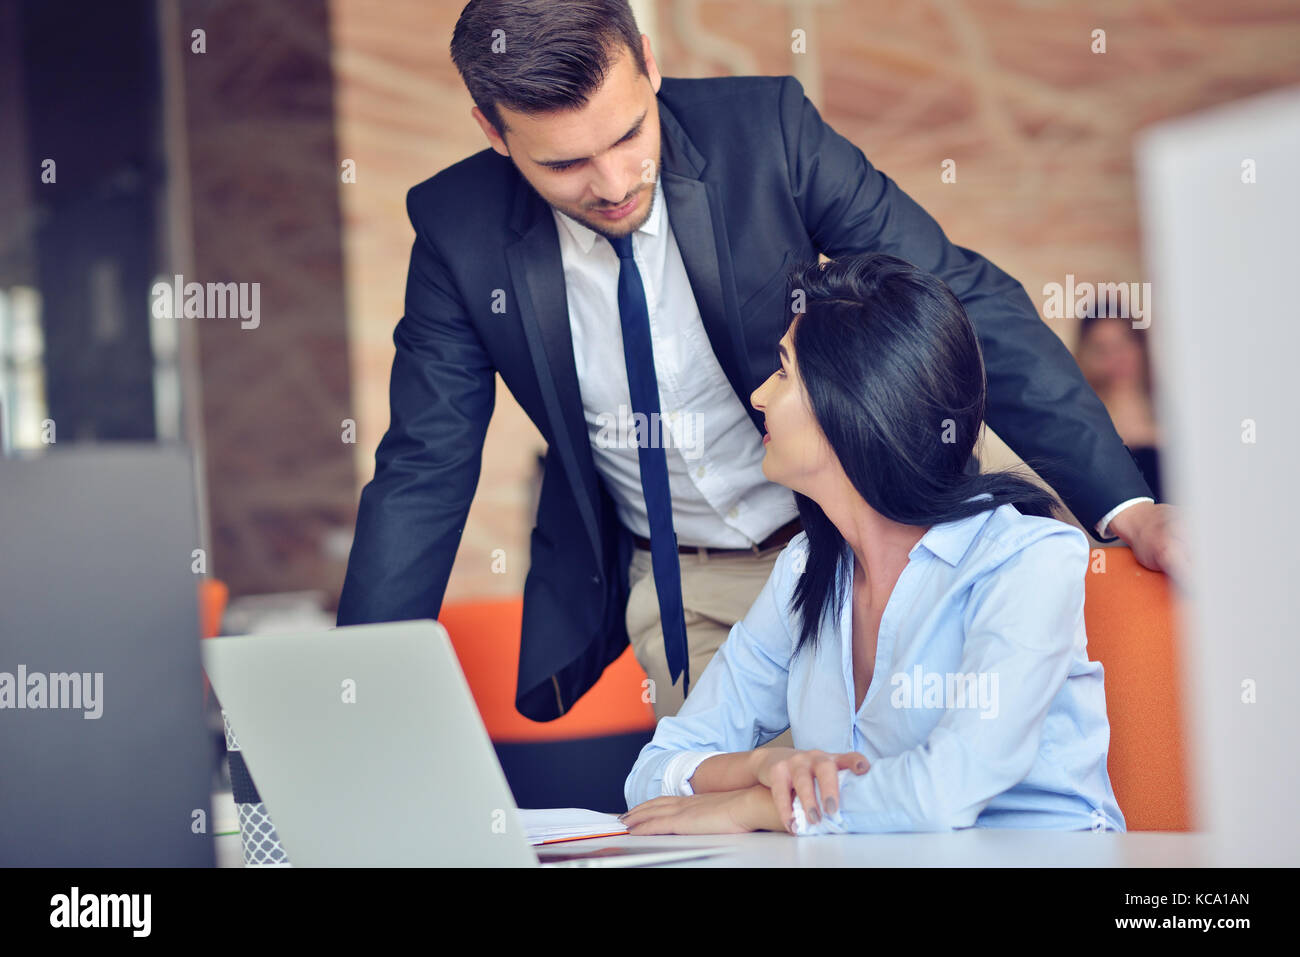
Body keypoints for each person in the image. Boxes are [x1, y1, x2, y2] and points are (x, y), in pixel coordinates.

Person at [337, 0, 1180, 726]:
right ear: (492, 131)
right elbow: (424, 463)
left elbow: (961, 294)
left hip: (864, 551)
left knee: (897, 813)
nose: (614, 180)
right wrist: (357, 687)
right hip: (684, 590)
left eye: (630, 134)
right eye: (564, 163)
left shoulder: (766, 135)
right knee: (723, 815)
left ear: (650, 64)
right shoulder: (458, 230)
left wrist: (1125, 502)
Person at [621, 253, 1126, 835]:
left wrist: (761, 805)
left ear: (853, 401)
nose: (758, 395)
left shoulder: (1027, 560)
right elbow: (653, 769)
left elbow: (945, 792)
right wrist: (762, 763)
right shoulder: (806, 570)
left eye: (783, 372)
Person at [1076, 313, 1163, 503]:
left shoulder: (1175, 412)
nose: (1117, 357)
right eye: (1101, 349)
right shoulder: (1084, 428)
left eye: (1123, 343)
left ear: (1141, 344)